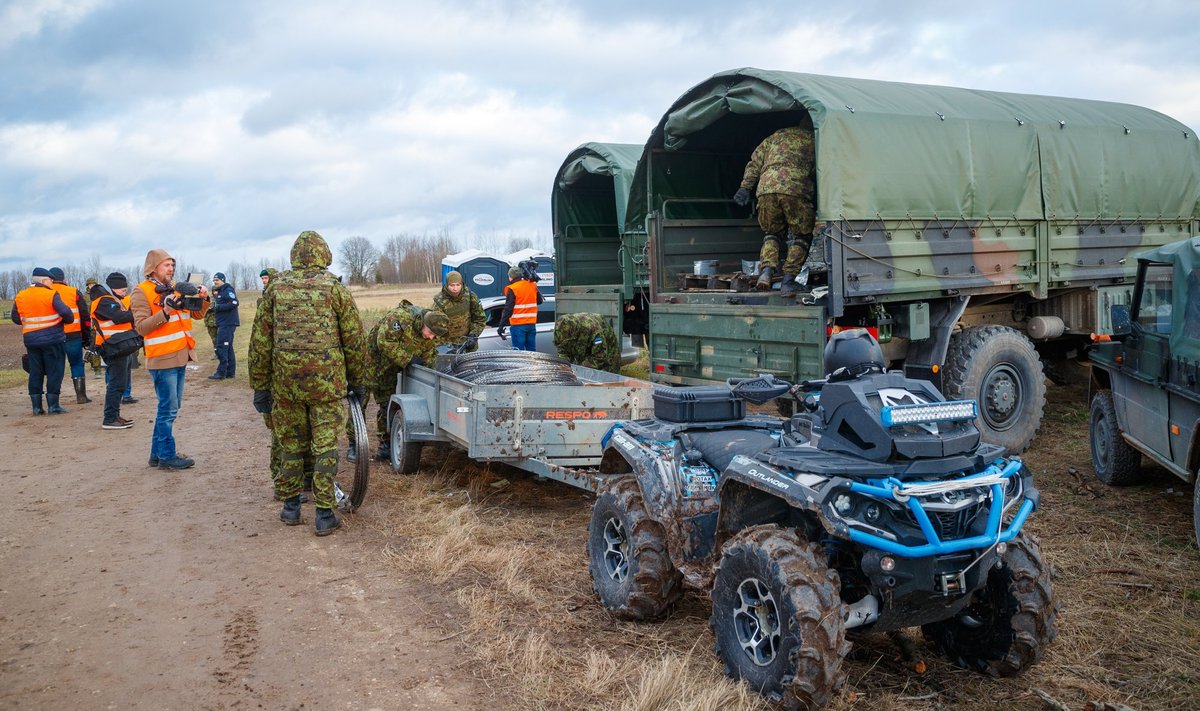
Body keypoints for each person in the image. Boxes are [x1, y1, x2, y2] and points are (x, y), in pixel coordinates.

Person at [248, 230, 368, 536]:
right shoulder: (334, 289)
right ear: (324, 254)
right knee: (325, 445)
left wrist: (260, 386)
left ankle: (290, 507)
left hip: (286, 385)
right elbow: (354, 339)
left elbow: (260, 343)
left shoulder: (276, 288)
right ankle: (324, 513)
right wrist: (358, 380)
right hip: (326, 384)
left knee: (290, 443)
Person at [131, 248, 211, 470]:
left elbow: (196, 314)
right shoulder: (141, 291)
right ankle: (167, 456)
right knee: (168, 410)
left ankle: (156, 455)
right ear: (153, 268)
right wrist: (164, 311)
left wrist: (204, 299)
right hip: (162, 358)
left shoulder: (178, 288)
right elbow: (141, 328)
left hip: (180, 355)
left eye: (172, 265)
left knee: (168, 408)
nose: (171, 268)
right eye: (166, 265)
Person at [355, 304, 448, 462]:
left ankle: (385, 447)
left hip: (390, 369)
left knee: (386, 406)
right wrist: (408, 359)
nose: (431, 337)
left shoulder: (432, 334)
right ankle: (354, 446)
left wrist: (431, 376)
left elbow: (429, 356)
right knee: (359, 404)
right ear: (424, 324)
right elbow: (384, 342)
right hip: (368, 363)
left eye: (435, 336)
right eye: (430, 333)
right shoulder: (400, 318)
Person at [733, 124, 817, 294]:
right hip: (795, 188)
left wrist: (745, 187)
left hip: (766, 189)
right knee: (802, 235)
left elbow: (755, 161)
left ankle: (766, 273)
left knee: (772, 233)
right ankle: (788, 280)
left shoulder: (776, 136)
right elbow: (822, 170)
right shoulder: (814, 139)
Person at [12, 267, 74, 415]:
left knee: (35, 372)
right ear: (45, 281)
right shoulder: (51, 294)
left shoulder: (21, 295)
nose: (52, 283)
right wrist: (62, 321)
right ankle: (53, 405)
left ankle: (37, 407)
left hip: (31, 340)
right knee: (54, 371)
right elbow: (67, 314)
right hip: (52, 339)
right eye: (51, 281)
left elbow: (16, 318)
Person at [89, 273, 137, 430]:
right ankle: (110, 418)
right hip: (112, 346)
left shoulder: (112, 299)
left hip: (119, 345)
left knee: (119, 382)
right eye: (123, 290)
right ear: (114, 288)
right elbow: (118, 317)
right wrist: (138, 314)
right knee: (116, 383)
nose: (125, 293)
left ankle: (114, 416)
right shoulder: (104, 301)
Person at [48, 267, 94, 403]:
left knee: (56, 367)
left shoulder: (46, 292)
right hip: (73, 335)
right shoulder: (74, 292)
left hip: (53, 336)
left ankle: (54, 399)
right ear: (63, 279)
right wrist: (87, 337)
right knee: (77, 364)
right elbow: (85, 316)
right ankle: (81, 396)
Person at [432, 270, 486, 352]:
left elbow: (480, 319)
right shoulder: (439, 302)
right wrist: (444, 347)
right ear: (446, 285)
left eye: (458, 285)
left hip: (468, 346)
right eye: (452, 285)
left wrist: (473, 335)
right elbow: (434, 329)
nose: (455, 288)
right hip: (448, 348)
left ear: (462, 284)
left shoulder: (470, 296)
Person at [553, 312, 621, 372]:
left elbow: (600, 356)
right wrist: (564, 365)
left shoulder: (595, 331)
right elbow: (563, 351)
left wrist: (578, 369)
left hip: (608, 357)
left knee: (607, 380)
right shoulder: (560, 330)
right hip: (587, 356)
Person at [498, 266, 543, 352]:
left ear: (510, 277)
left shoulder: (513, 288)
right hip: (531, 325)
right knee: (532, 352)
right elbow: (539, 301)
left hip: (518, 326)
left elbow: (508, 309)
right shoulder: (532, 285)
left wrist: (501, 326)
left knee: (519, 353)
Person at [208, 272, 240, 380]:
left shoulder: (228, 290)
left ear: (222, 280)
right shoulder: (220, 291)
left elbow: (234, 303)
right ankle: (230, 372)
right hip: (223, 323)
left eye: (217, 280)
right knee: (228, 347)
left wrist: (218, 307)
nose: (215, 282)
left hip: (227, 323)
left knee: (221, 347)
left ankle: (221, 372)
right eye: (214, 281)